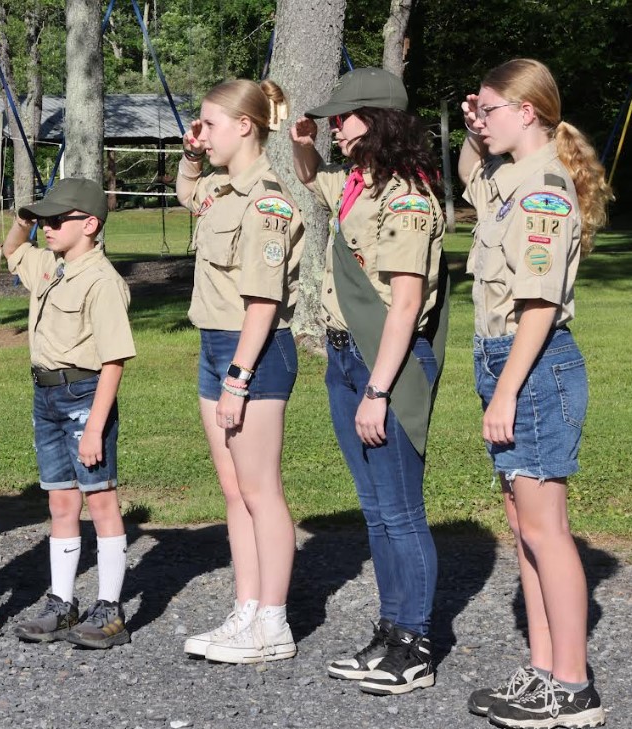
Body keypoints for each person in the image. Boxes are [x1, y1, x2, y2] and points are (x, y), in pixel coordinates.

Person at [458, 58, 610, 729]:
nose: (480, 121)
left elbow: (539, 305)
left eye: (487, 110)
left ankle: (573, 687)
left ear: (524, 111)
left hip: (533, 364)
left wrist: (505, 393)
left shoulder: (544, 188)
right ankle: (545, 670)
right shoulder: (506, 174)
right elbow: (471, 181)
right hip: (506, 360)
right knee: (522, 527)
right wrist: (471, 131)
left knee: (546, 530)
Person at [290, 67, 448, 694]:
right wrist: (303, 141)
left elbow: (406, 307)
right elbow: (310, 176)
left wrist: (379, 392)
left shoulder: (407, 198)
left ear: (376, 119)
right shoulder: (359, 183)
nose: (335, 125)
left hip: (389, 365)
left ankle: (414, 644)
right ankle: (390, 630)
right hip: (347, 359)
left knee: (401, 512)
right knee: (378, 511)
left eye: (343, 116)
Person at [176, 79, 304, 664]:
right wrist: (190, 156)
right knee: (234, 492)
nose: (199, 133)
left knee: (261, 490)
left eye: (208, 124)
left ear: (245, 126)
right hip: (216, 342)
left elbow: (263, 303)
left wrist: (237, 377)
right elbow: (188, 196)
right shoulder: (221, 189)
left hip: (252, 349)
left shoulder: (267, 201)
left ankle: (273, 623)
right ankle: (246, 609)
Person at [5, 179, 136, 650]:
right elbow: (12, 249)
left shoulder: (102, 282)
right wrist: (24, 218)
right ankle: (62, 602)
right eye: (45, 219)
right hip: (46, 397)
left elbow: (114, 360)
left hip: (84, 395)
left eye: (57, 219)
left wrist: (96, 427)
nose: (47, 227)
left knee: (100, 500)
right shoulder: (51, 264)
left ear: (90, 224)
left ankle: (110, 608)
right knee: (61, 502)